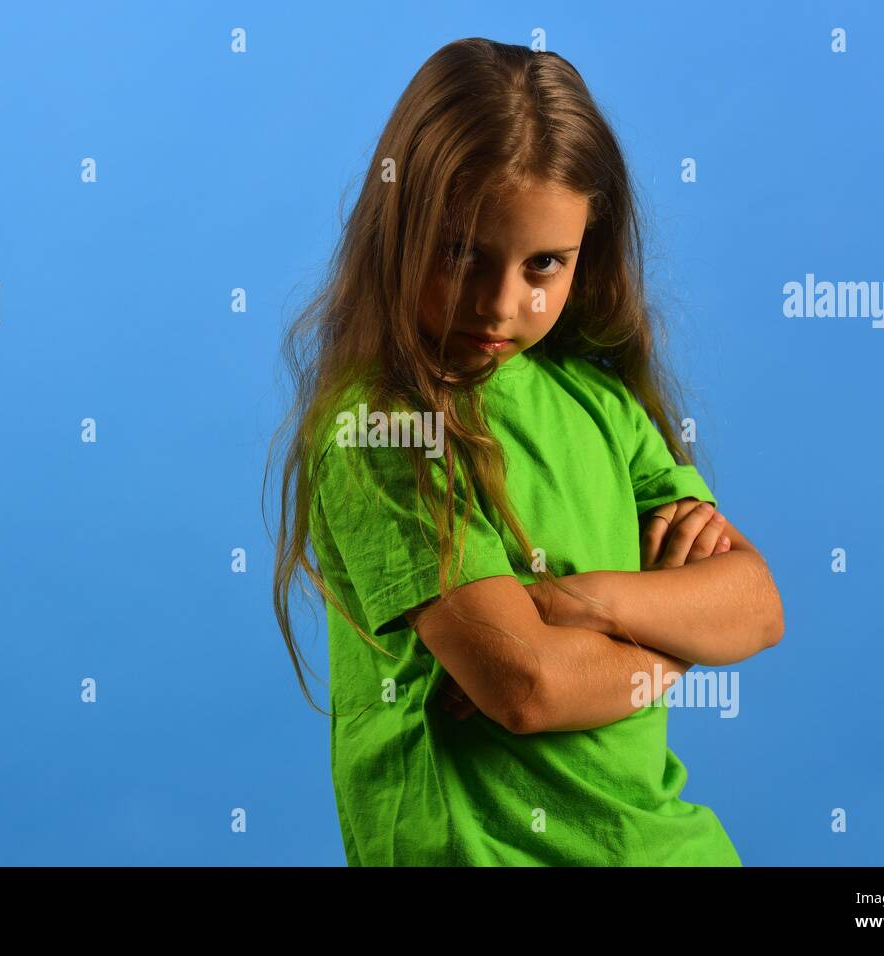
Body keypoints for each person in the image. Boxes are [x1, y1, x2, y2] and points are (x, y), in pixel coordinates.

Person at [268, 37, 785, 866]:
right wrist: (680, 646)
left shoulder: (601, 401)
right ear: (397, 225)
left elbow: (756, 606)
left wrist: (587, 604)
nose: (503, 304)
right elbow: (525, 687)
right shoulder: (381, 429)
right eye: (461, 252)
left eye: (545, 263)